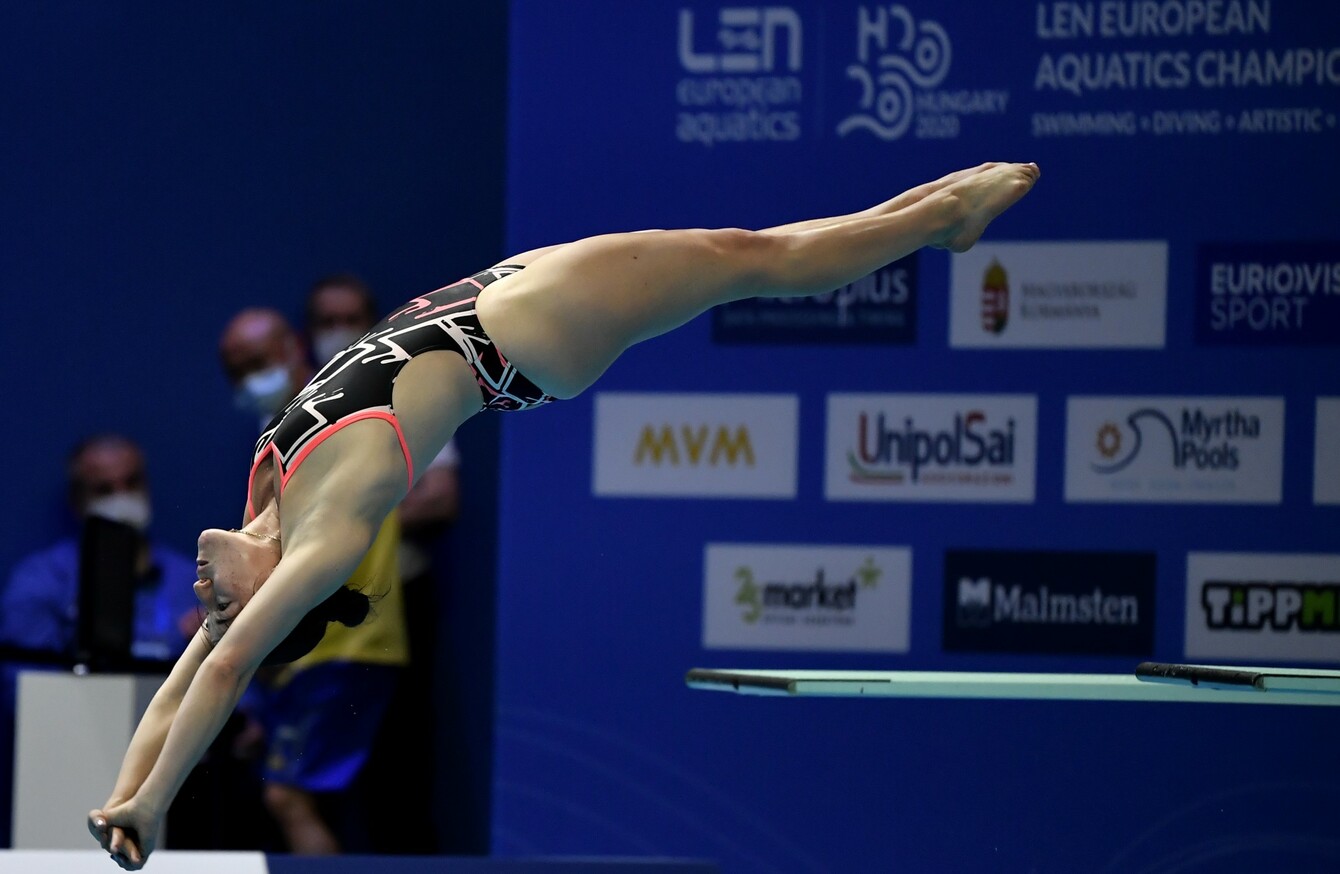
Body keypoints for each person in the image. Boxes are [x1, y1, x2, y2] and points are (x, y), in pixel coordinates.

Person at [88, 160, 1040, 869]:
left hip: (485, 298)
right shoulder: (327, 533)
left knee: (745, 251)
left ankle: (928, 213)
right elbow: (225, 673)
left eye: (208, 605)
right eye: (223, 606)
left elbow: (180, 685)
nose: (204, 598)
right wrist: (155, 815)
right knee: (746, 261)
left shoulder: (261, 493)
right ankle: (939, 221)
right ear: (272, 593)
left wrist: (121, 798)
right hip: (527, 339)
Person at [217, 306, 411, 856]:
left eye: (257, 361)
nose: (248, 377)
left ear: (293, 348)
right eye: (235, 369)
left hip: (348, 643)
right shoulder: (275, 431)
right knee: (297, 798)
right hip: (309, 648)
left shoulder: (345, 405)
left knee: (288, 798)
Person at [306, 272, 461, 853]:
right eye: (327, 321)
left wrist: (346, 519)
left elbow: (442, 497)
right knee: (304, 779)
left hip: (398, 606)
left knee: (400, 771)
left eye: (351, 319)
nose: (339, 333)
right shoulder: (305, 402)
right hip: (318, 609)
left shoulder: (414, 389)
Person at [0, 433, 198, 662]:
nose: (122, 498)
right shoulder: (40, 581)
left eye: (131, 482)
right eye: (104, 489)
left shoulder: (195, 580)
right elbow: (25, 681)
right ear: (77, 500)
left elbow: (240, 689)